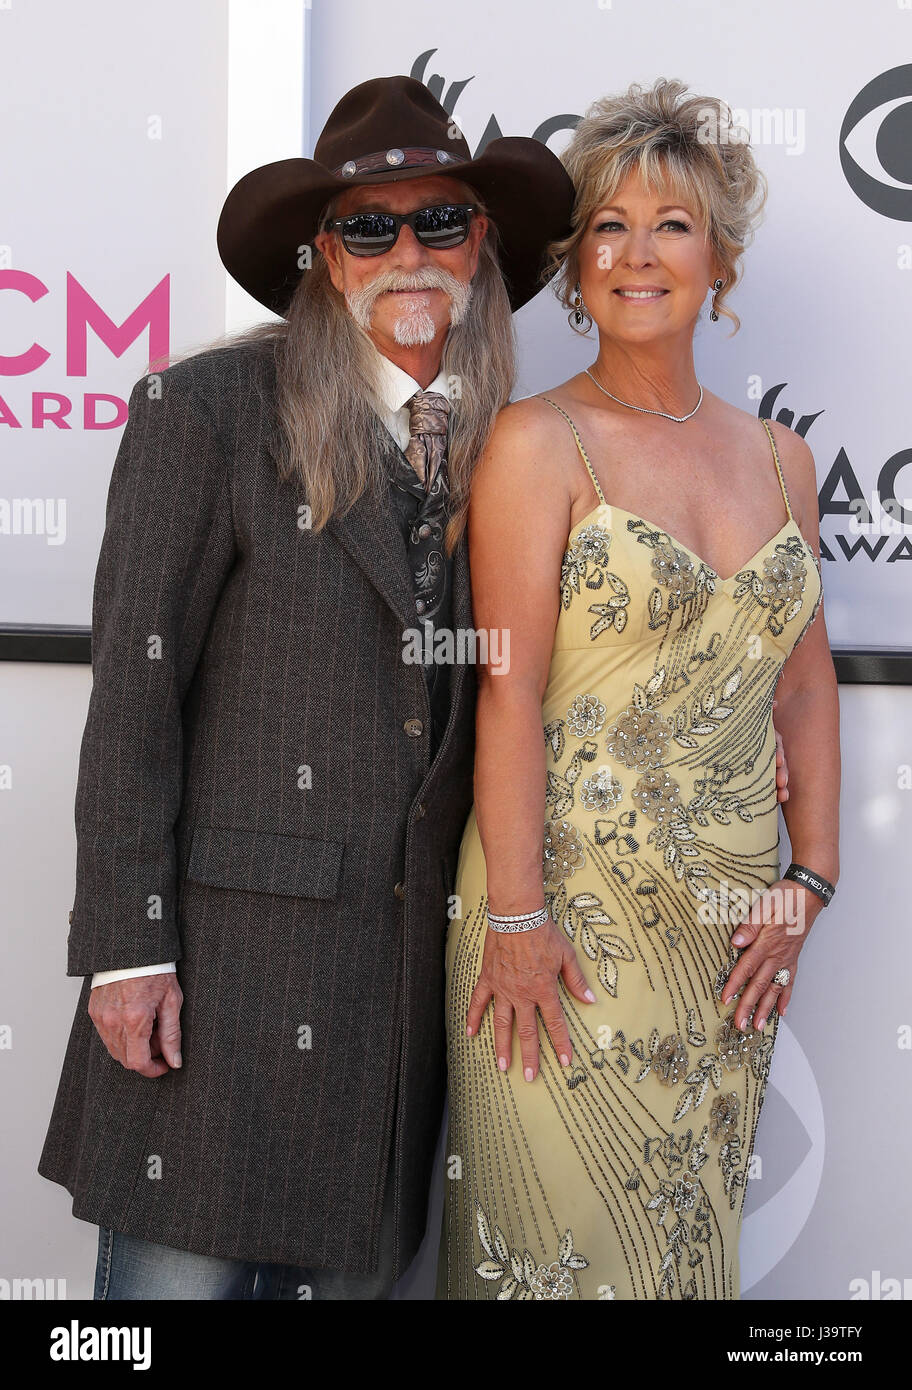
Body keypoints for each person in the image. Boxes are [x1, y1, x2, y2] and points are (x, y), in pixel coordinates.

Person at [36, 74, 577, 1300]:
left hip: (403, 992)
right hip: (222, 976)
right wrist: (125, 950)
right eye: (369, 227)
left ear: (480, 243)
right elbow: (133, 688)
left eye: (438, 220)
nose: (408, 252)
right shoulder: (209, 411)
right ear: (326, 257)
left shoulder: (511, 442)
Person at [437, 78, 838, 1301]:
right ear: (575, 268)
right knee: (552, 1261)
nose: (636, 253)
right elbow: (505, 697)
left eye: (671, 225)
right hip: (555, 921)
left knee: (678, 1255)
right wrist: (514, 919)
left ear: (719, 262)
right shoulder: (534, 442)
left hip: (725, 941)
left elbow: (806, 685)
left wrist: (810, 879)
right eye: (608, 227)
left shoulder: (784, 457)